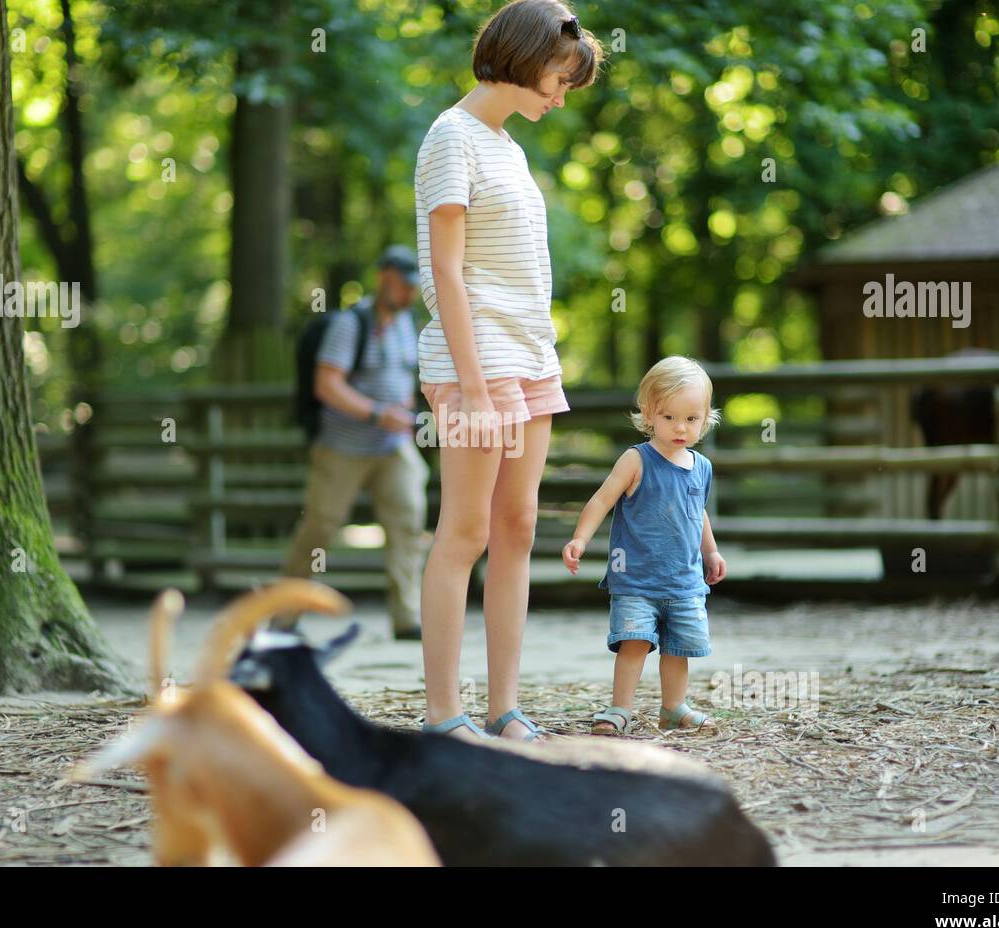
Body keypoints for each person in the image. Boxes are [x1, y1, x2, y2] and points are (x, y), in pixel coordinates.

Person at [413, 0, 604, 742]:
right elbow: (448, 275)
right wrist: (475, 384)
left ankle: (505, 708)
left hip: (529, 359)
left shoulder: (507, 146)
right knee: (463, 531)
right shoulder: (449, 139)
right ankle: (442, 715)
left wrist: (523, 369)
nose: (561, 97)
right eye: (558, 79)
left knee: (517, 526)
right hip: (475, 365)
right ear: (522, 61)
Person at [563, 357, 727, 735]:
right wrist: (580, 538)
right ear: (649, 414)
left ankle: (673, 707)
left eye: (691, 418)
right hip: (636, 578)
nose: (681, 427)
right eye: (669, 417)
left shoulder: (701, 466)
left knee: (678, 648)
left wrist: (711, 551)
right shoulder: (637, 459)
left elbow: (696, 511)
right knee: (633, 641)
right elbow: (602, 500)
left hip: (684, 581)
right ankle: (620, 708)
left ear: (705, 418)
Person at [275, 246, 428, 641]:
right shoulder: (349, 324)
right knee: (320, 528)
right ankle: (285, 616)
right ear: (384, 279)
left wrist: (402, 411)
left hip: (392, 446)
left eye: (415, 287)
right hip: (342, 447)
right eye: (404, 285)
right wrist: (377, 412)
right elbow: (327, 384)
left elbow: (403, 377)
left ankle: (406, 616)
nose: (410, 294)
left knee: (409, 520)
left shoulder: (405, 324)